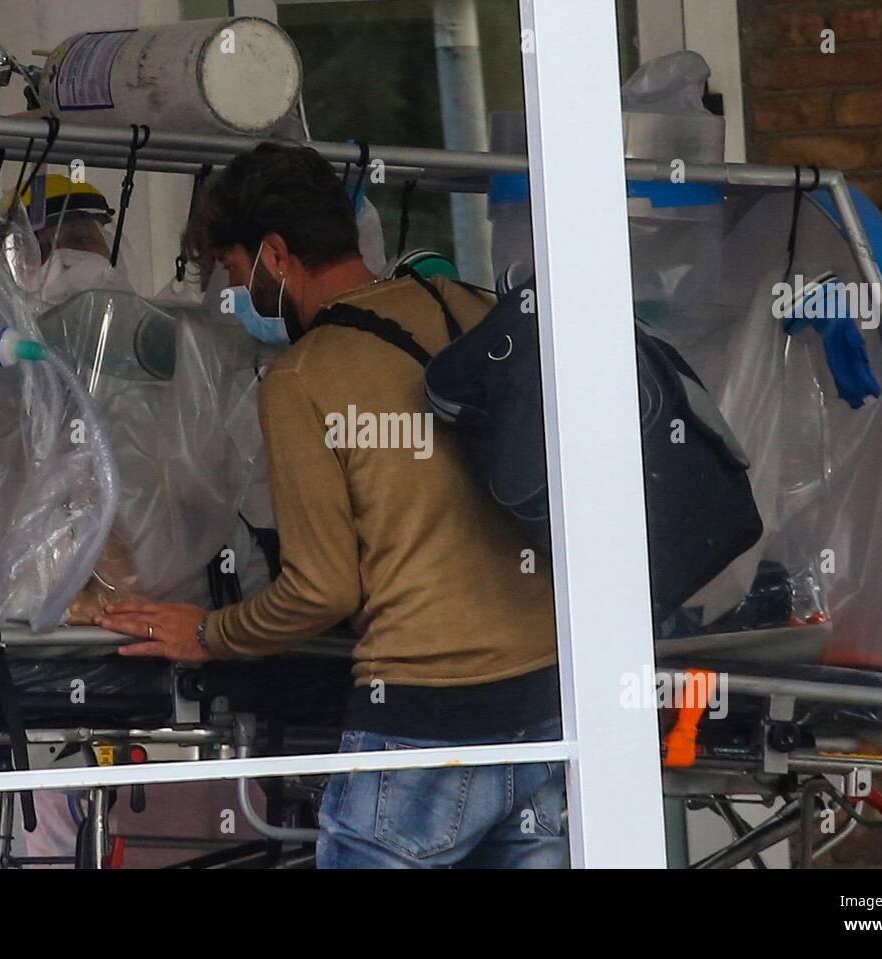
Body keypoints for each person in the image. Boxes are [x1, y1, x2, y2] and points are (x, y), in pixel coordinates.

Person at [95, 143, 564, 869]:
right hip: (546, 710)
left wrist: (211, 633)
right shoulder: (482, 312)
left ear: (277, 254)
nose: (238, 295)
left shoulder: (304, 376)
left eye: (235, 271)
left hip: (421, 725)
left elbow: (322, 588)